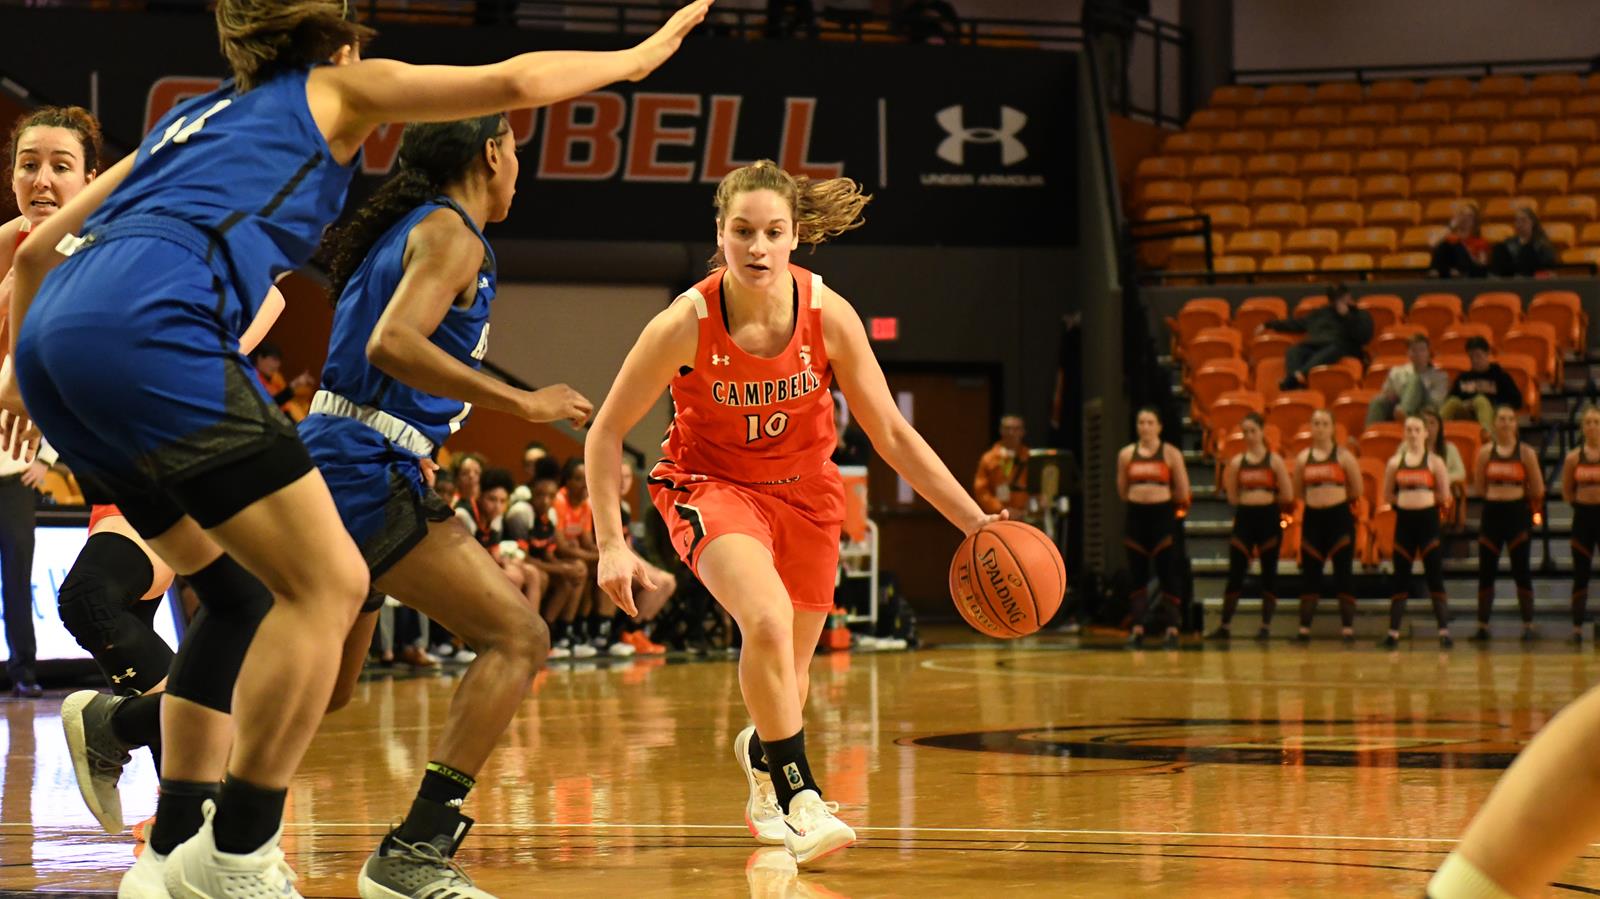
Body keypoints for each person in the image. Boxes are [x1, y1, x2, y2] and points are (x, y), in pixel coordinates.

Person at [3, 1, 710, 895]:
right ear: (333, 45)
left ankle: (157, 804)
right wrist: (639, 59)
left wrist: (21, 373)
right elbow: (519, 81)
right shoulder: (330, 89)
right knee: (345, 590)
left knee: (240, 605)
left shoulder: (195, 113)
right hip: (165, 337)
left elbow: (31, 261)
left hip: (58, 342)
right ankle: (240, 854)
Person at [583, 159, 1002, 865]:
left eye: (772, 231)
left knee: (790, 678)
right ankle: (801, 795)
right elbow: (603, 431)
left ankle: (762, 751)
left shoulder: (827, 314)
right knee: (767, 619)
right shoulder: (683, 323)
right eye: (742, 231)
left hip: (807, 492)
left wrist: (975, 521)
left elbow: (893, 435)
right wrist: (610, 543)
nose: (757, 247)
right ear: (719, 233)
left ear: (796, 236)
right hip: (709, 484)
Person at [300, 115, 597, 892]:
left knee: (324, 687)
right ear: (491, 152)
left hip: (347, 454)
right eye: (517, 149)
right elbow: (392, 343)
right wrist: (525, 403)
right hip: (363, 464)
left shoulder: (416, 226)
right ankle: (415, 849)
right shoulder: (453, 232)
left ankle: (124, 722)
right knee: (519, 636)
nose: (519, 166)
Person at [1207, 413, 1291, 641]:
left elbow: (1287, 493)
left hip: (1268, 518)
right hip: (1245, 518)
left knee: (1268, 573)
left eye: (1253, 431)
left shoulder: (1274, 461)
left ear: (1262, 431)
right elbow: (1232, 497)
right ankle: (1224, 625)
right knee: (1236, 572)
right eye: (1245, 432)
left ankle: (1265, 626)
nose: (1250, 436)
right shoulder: (1236, 463)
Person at [1378, 415, 1454, 649]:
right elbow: (1387, 494)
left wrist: (1424, 500)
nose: (1412, 434)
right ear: (1404, 433)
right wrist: (1406, 501)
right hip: (1405, 524)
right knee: (1400, 578)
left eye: (1417, 430)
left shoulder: (1435, 462)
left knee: (1434, 577)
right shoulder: (1395, 463)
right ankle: (1393, 634)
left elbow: (1445, 495)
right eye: (1408, 430)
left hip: (1428, 523)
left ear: (1426, 433)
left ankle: (1444, 632)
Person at [1117, 407, 1191, 648]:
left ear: (1159, 426)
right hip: (1136, 519)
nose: (1145, 427)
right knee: (1136, 574)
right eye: (1141, 422)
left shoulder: (1170, 454)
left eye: (1150, 422)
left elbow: (1182, 490)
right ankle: (1137, 628)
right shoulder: (1126, 455)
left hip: (1162, 518)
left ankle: (1172, 629)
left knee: (1168, 573)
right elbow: (1122, 490)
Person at [1469, 405, 1543, 643]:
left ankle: (1528, 625)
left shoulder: (1526, 453)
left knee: (1521, 571)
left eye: (1510, 419)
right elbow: (1479, 486)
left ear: (1516, 424)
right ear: (1494, 423)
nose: (1506, 423)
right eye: (1501, 419)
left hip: (1516, 516)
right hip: (1492, 515)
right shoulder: (1484, 453)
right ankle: (1482, 625)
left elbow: (1538, 488)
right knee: (1486, 572)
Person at [1292, 409, 1363, 642]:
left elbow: (1357, 489)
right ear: (1310, 428)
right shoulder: (1303, 458)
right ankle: (1304, 631)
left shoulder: (1344, 457)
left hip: (1339, 519)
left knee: (1344, 574)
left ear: (1332, 428)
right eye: (1315, 423)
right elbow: (1297, 491)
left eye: (1324, 423)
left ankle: (1348, 630)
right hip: (1313, 520)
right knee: (1311, 575)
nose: (1319, 427)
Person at [1259, 283, 1373, 391]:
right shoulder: (1321, 313)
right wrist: (1269, 324)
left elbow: (1364, 337)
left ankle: (1299, 376)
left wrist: (1347, 316)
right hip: (1315, 345)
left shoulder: (1359, 314)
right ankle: (1294, 379)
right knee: (1294, 350)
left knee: (1334, 348)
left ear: (1348, 296)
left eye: (1341, 297)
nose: (1339, 302)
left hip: (1340, 348)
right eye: (1335, 299)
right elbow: (1298, 323)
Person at [1562, 404, 1600, 645]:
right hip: (1583, 518)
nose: (1592, 426)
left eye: (1597, 422)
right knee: (1581, 574)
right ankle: (1576, 628)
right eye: (1588, 422)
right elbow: (1567, 491)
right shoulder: (1573, 458)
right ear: (1582, 427)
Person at [1441, 336, 1523, 432]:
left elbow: (1517, 402)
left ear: (1487, 354)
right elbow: (1450, 398)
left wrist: (1492, 403)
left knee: (1480, 400)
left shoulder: (1501, 377)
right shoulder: (1463, 378)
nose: (1475, 360)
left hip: (1492, 414)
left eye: (1478, 356)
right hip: (1467, 414)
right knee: (1452, 402)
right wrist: (1467, 404)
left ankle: (1488, 436)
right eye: (1471, 357)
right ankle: (1433, 434)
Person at [1366, 334, 1450, 425]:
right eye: (1413, 350)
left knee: (1415, 380)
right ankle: (1370, 432)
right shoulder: (1396, 372)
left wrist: (1416, 394)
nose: (1418, 354)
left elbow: (1436, 403)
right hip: (1396, 408)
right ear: (1408, 353)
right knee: (1378, 401)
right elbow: (1387, 394)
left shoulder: (1440, 376)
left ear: (1429, 353)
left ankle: (1404, 413)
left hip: (1423, 411)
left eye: (1422, 350)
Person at [973, 414, 1029, 518]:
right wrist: (999, 508)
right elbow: (981, 490)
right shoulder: (989, 458)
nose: (1011, 433)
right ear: (1001, 430)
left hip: (1024, 516)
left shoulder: (1029, 458)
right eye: (1007, 428)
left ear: (1023, 432)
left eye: (1016, 429)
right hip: (997, 516)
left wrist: (1025, 511)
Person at [247, 341, 314, 421]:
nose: (277, 365)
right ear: (260, 358)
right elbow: (270, 404)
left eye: (279, 361)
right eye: (274, 359)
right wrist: (294, 385)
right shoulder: (251, 379)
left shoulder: (274, 379)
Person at [1489, 205, 1558, 277]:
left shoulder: (1542, 244)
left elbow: (1549, 268)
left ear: (1533, 222)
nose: (1519, 224)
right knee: (1499, 247)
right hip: (1510, 278)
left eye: (1523, 220)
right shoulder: (1509, 243)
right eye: (1517, 220)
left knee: (1527, 249)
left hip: (1532, 280)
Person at [1428, 200, 1490, 278]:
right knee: (1445, 245)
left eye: (1469, 216)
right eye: (1462, 214)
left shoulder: (1480, 242)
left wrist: (1469, 253)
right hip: (1446, 272)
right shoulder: (1449, 238)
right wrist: (1451, 226)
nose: (1465, 219)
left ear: (1475, 221)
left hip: (1467, 273)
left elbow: (1482, 265)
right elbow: (1432, 244)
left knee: (1458, 246)